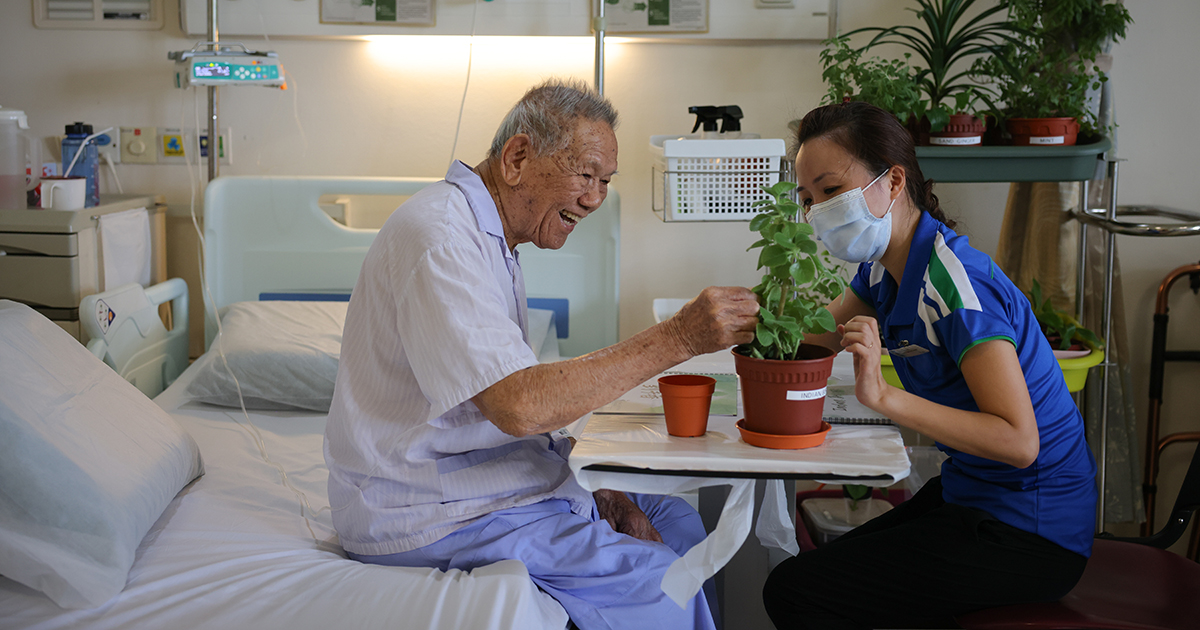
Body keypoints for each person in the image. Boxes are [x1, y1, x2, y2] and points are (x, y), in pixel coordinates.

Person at [323, 79, 759, 630]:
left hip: (499, 480)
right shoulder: (439, 238)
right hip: (431, 508)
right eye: (585, 175)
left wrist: (601, 486)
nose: (596, 198)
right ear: (518, 158)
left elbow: (516, 401)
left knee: (678, 524)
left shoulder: (493, 237)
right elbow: (521, 405)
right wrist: (679, 337)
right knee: (660, 583)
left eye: (605, 182)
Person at [762, 101, 1098, 630]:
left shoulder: (956, 287)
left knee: (797, 592)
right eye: (806, 200)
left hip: (1031, 529)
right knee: (815, 571)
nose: (816, 214)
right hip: (973, 491)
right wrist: (735, 324)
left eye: (830, 192)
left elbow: (1018, 442)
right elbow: (815, 338)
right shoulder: (883, 272)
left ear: (893, 181)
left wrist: (884, 396)